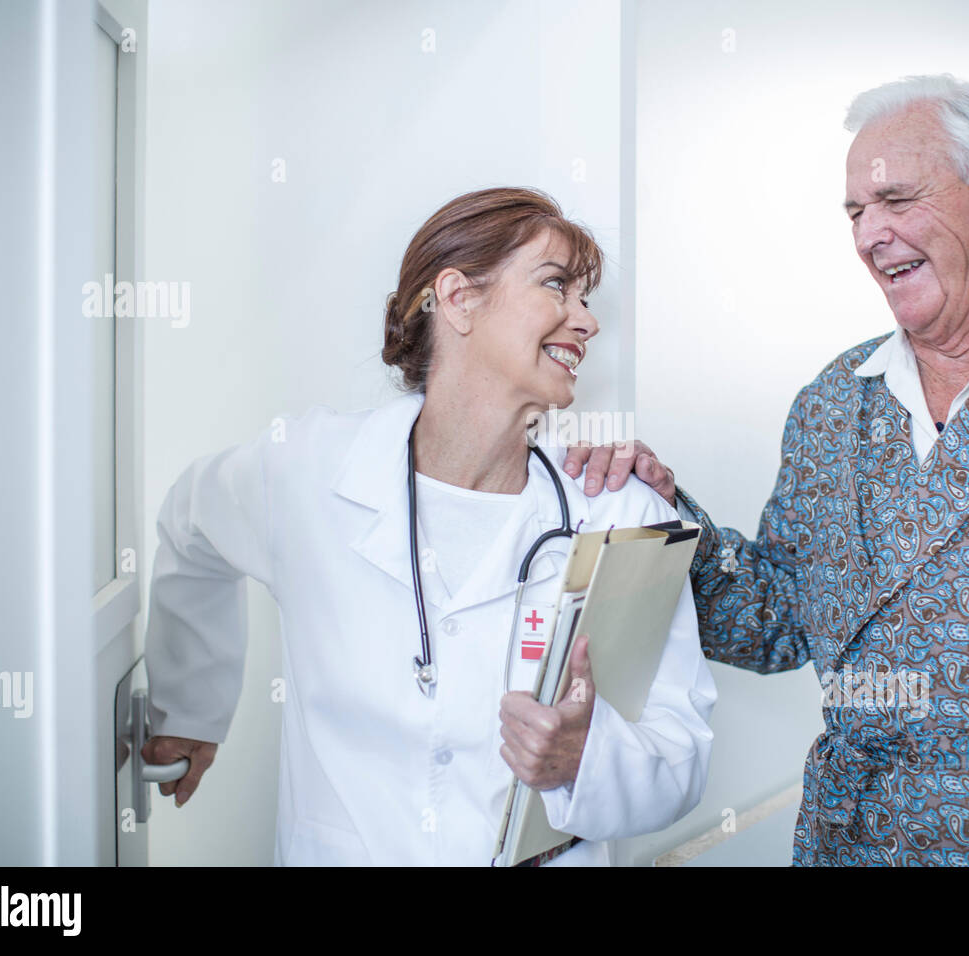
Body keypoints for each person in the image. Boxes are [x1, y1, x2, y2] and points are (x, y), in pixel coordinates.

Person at [567, 75, 969, 865]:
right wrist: (670, 518)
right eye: (855, 212)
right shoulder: (834, 401)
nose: (869, 236)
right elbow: (778, 621)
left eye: (897, 200)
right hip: (854, 841)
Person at [141, 187, 716, 866]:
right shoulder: (305, 472)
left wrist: (583, 758)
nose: (587, 322)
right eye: (556, 285)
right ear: (458, 298)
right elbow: (189, 522)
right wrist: (189, 708)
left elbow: (680, 752)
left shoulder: (621, 512)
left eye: (585, 298)